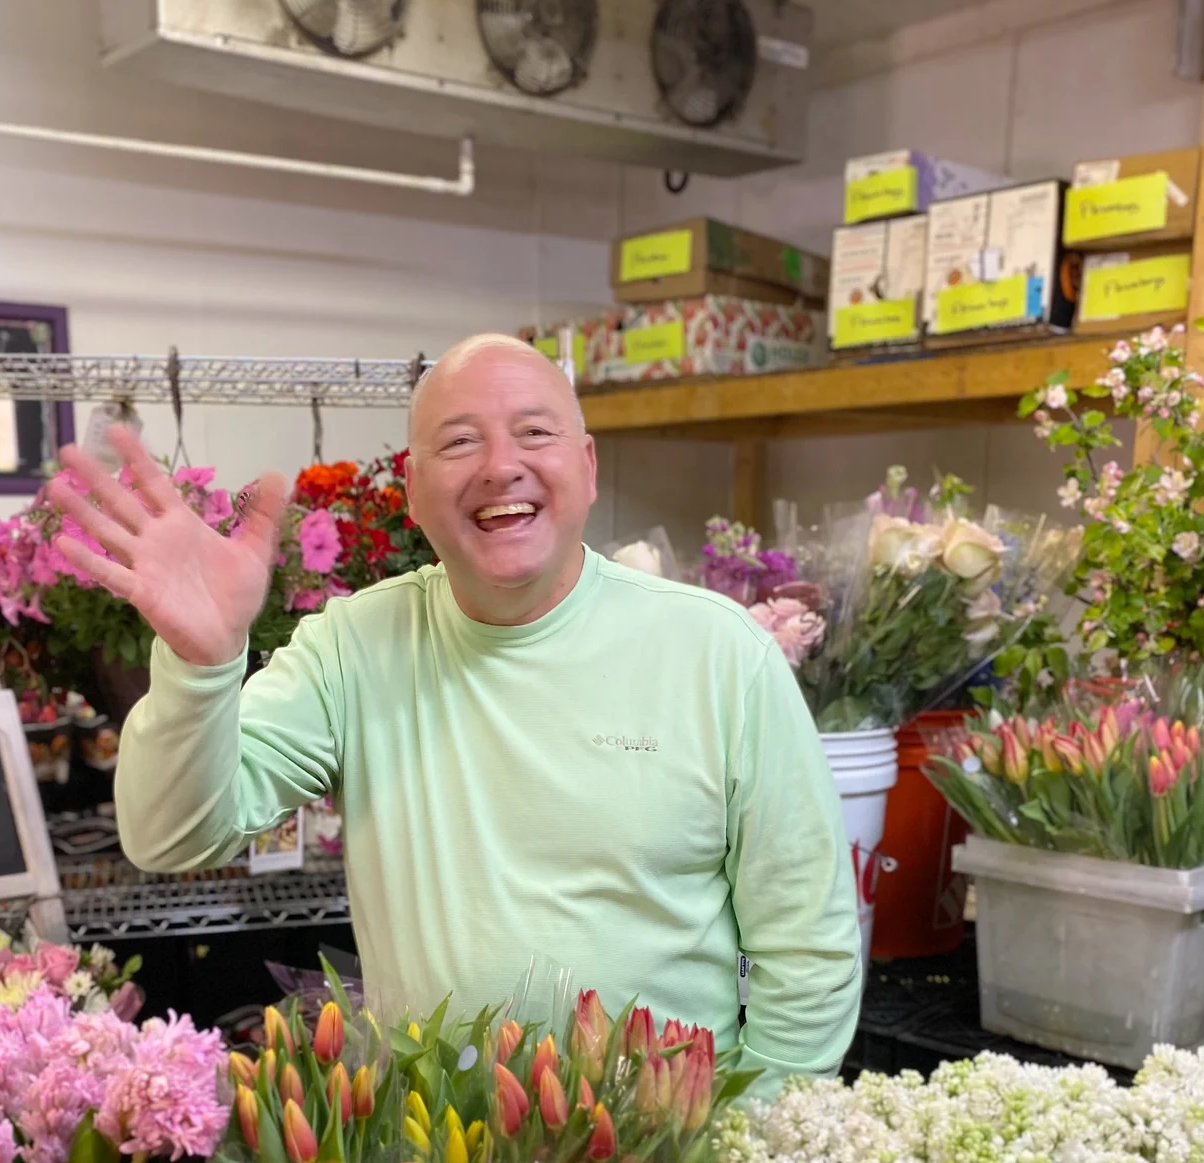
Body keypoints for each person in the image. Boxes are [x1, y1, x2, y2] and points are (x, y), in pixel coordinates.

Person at [52, 333, 861, 1077]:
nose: (500, 465)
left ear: (588, 467)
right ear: (410, 489)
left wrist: (747, 1139)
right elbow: (172, 837)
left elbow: (808, 945)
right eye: (460, 441)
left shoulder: (717, 655)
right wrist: (201, 665)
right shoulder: (355, 648)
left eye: (535, 434)